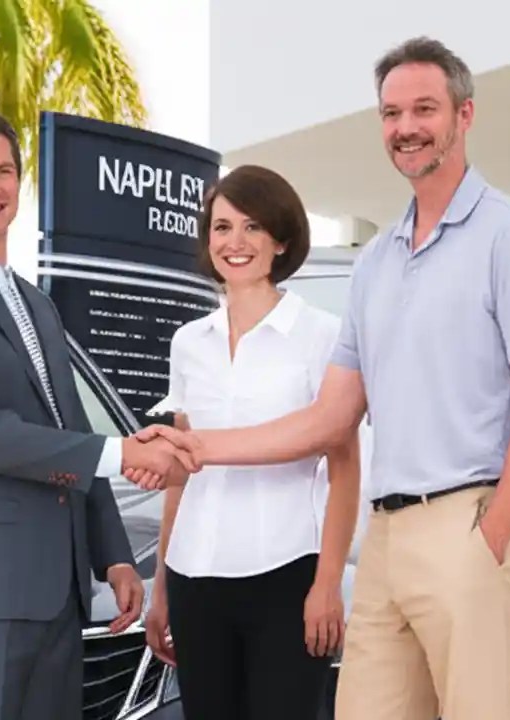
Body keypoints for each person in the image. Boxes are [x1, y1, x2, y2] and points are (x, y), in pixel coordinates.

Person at [133, 36, 510, 720]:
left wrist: (496, 529)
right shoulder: (375, 264)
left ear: (465, 115)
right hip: (385, 539)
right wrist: (197, 447)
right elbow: (329, 421)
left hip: (469, 521)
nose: (406, 128)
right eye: (391, 113)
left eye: (424, 109)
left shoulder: (509, 236)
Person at [0, 109, 194, 720]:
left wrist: (110, 554)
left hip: (56, 591)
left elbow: (69, 424)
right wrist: (127, 454)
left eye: (3, 171)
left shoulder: (33, 302)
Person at [140, 165, 361, 720]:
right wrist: (162, 588)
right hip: (195, 578)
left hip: (286, 579)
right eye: (221, 227)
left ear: (281, 240)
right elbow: (182, 474)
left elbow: (346, 471)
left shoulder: (321, 336)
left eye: (252, 227)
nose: (234, 243)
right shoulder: (189, 343)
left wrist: (327, 585)